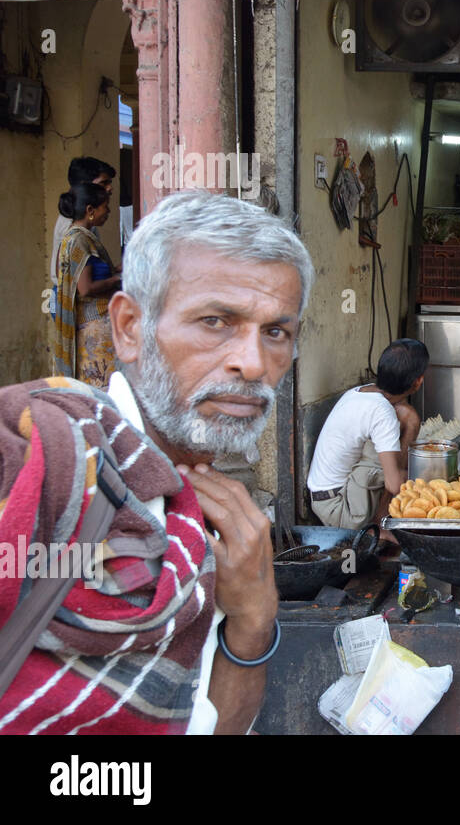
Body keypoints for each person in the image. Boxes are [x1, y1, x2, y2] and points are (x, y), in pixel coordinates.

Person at [0, 191, 313, 734]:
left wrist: (254, 620)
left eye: (276, 332)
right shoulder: (45, 454)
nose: (253, 362)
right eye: (216, 321)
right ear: (128, 328)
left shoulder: (202, 513)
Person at [306, 338, 427, 530]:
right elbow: (394, 485)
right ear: (418, 382)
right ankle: (379, 527)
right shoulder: (382, 412)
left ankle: (380, 518)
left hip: (324, 497)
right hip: (339, 510)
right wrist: (423, 480)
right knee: (396, 443)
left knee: (406, 417)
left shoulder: (360, 392)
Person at [52, 181, 122, 388]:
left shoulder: (74, 238)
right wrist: (119, 280)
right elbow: (86, 288)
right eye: (105, 207)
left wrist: (113, 271)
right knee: (100, 387)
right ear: (90, 210)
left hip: (93, 325)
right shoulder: (79, 240)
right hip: (94, 327)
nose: (108, 211)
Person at [50, 156, 116, 286]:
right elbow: (84, 287)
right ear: (84, 186)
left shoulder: (84, 222)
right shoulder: (74, 229)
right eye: (104, 183)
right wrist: (115, 281)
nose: (109, 188)